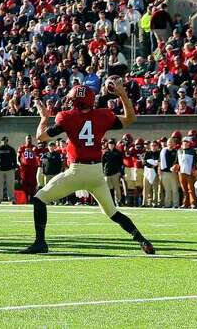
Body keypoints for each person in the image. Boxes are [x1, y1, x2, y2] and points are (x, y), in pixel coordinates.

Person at [20, 82, 154, 255]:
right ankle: (142, 240)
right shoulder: (102, 115)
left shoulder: (66, 116)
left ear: (76, 101)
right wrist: (122, 94)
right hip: (97, 173)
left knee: (39, 199)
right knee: (112, 213)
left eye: (71, 100)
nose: (68, 102)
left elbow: (41, 136)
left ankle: (40, 242)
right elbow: (130, 118)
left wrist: (44, 118)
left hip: (77, 171)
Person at [101, 139, 125, 207]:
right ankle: (111, 202)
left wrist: (121, 172)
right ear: (108, 145)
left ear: (114, 145)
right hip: (107, 173)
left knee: (117, 188)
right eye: (109, 144)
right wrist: (103, 171)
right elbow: (102, 163)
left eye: (112, 144)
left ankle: (118, 201)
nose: (111, 145)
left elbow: (121, 163)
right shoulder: (105, 152)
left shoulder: (118, 153)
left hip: (115, 173)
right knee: (109, 189)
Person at [0, 136, 17, 203]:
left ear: (7, 141)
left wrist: (14, 167)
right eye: (3, 141)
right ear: (1, 141)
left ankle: (12, 199)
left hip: (9, 170)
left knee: (10, 186)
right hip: (0, 170)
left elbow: (14, 159)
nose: (4, 142)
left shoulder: (11, 149)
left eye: (6, 141)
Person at [17, 135, 40, 200]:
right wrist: (19, 163)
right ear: (25, 139)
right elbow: (18, 156)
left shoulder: (34, 147)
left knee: (33, 183)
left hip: (32, 167)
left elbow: (37, 157)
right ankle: (25, 197)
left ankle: (32, 197)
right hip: (24, 167)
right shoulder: (22, 147)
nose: (29, 140)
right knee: (24, 183)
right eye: (27, 138)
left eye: (30, 138)